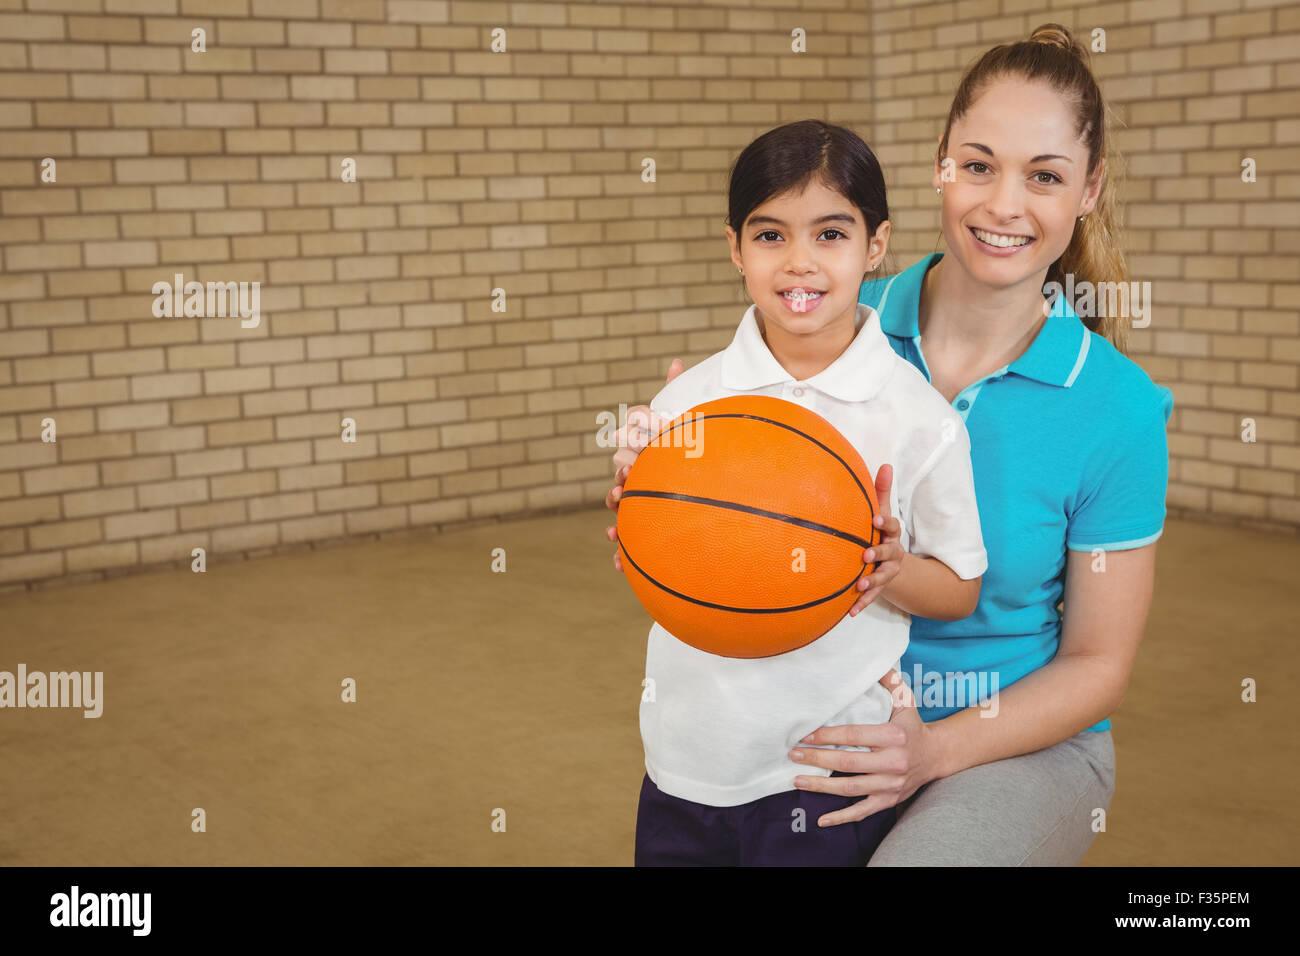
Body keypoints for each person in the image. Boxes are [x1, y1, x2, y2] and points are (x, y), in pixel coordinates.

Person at [606, 24, 1173, 865]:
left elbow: (1098, 665)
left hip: (1003, 734)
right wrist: (659, 493)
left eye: (1044, 176)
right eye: (978, 165)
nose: (1004, 205)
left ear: (1089, 190)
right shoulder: (824, 310)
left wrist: (933, 751)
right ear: (941, 165)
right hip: (814, 722)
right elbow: (716, 480)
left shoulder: (1115, 406)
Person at [621, 119, 988, 866]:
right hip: (686, 759)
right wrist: (638, 518)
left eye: (829, 234)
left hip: (828, 770)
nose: (799, 263)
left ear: (875, 245)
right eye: (770, 236)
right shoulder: (685, 404)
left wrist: (894, 567)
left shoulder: (920, 419)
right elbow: (652, 567)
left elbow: (961, 588)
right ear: (734, 247)